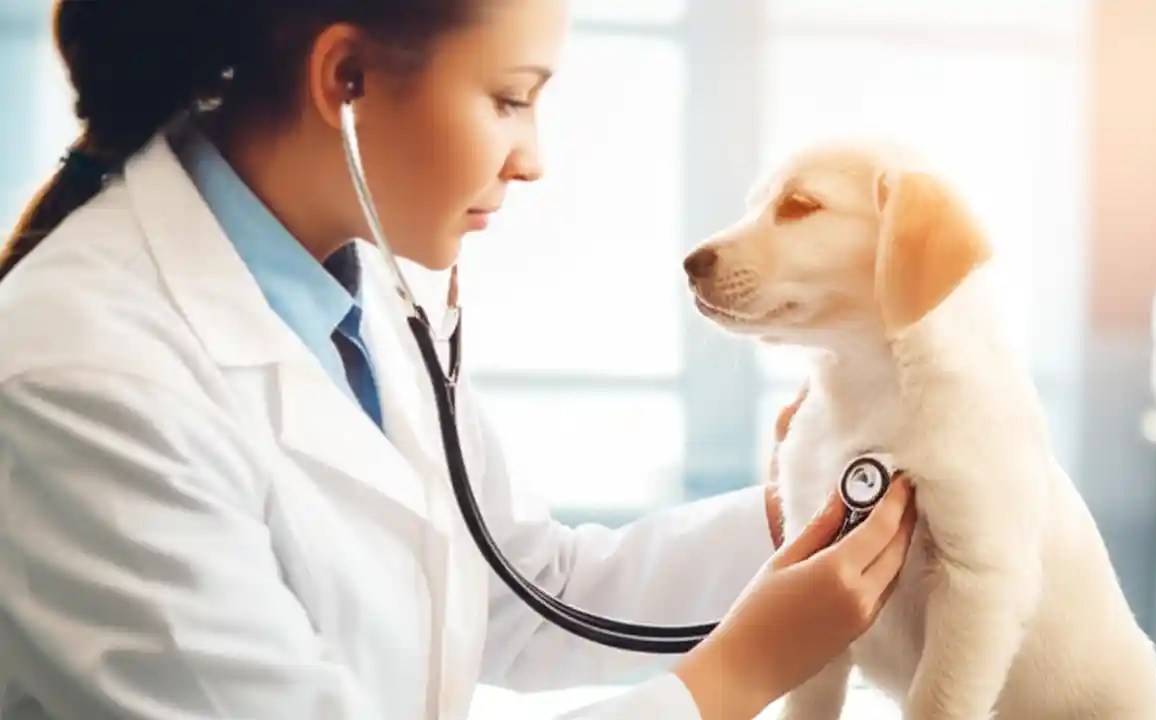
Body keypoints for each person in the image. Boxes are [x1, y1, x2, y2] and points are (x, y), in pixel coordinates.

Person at [0, 1, 917, 718]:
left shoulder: (354, 299)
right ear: (346, 77)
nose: (534, 160)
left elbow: (529, 592)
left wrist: (814, 509)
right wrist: (735, 678)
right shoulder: (86, 378)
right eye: (511, 98)